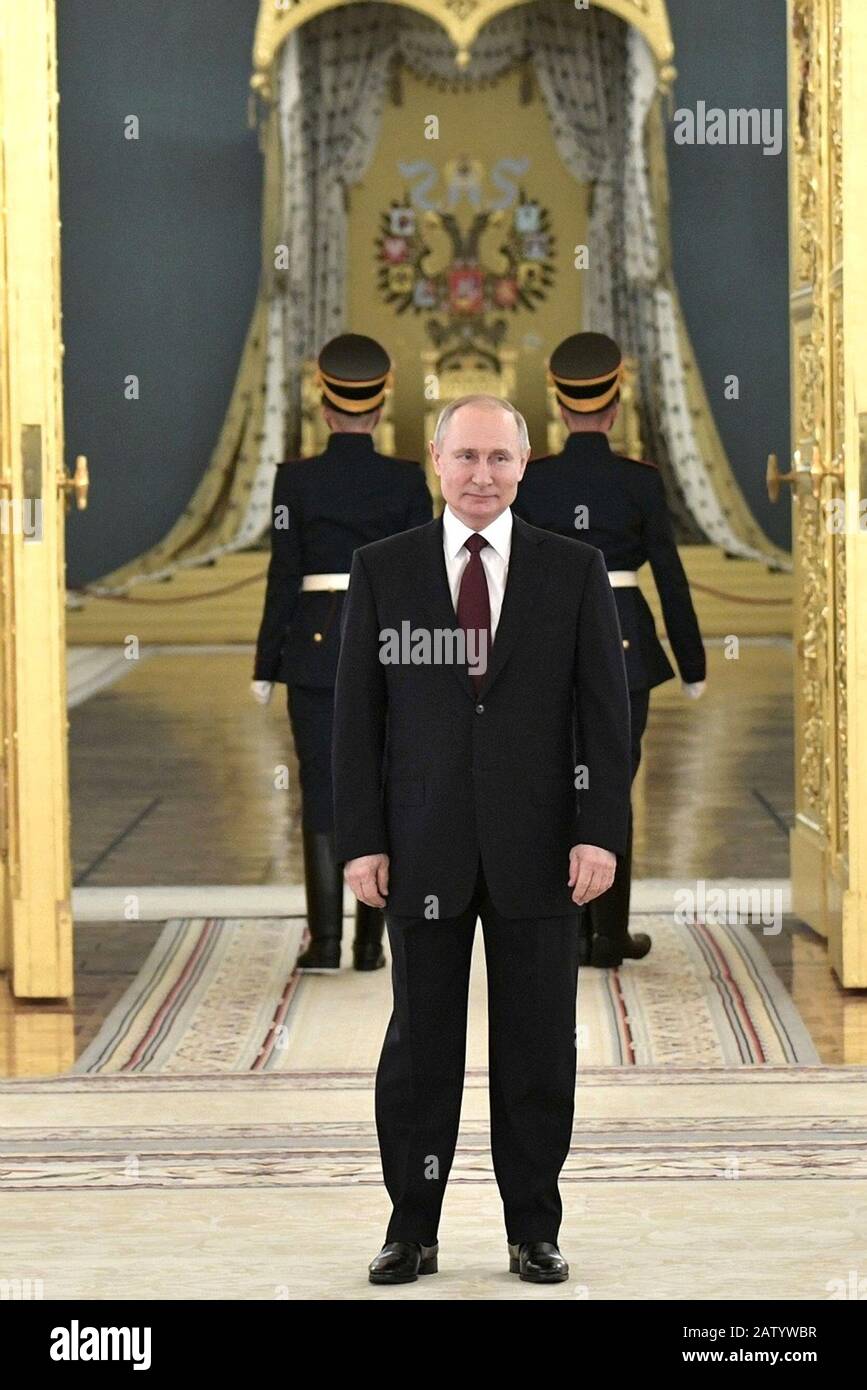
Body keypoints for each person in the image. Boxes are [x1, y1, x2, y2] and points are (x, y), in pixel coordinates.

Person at [332, 394, 632, 1285]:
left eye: (499, 459)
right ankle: (410, 1231)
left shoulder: (571, 569)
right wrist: (360, 840)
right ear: (434, 459)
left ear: (525, 465)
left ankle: (531, 1229)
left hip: (542, 850)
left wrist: (600, 835)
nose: (480, 476)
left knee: (537, 1047)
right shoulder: (382, 569)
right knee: (420, 1047)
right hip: (419, 847)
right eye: (465, 457)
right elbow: (358, 720)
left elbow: (602, 720)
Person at [513, 331, 706, 968]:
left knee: (553, 786)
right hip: (626, 641)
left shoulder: (533, 481)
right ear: (615, 402)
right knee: (613, 786)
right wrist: (693, 663)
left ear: (559, 406)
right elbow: (671, 578)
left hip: (550, 645)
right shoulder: (640, 481)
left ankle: (565, 932)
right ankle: (609, 935)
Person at [252, 333, 432, 973]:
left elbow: (283, 573)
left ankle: (325, 940)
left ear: (324, 407)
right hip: (391, 643)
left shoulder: (292, 480)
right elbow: (421, 575)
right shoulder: (408, 479)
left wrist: (266, 662)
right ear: (379, 406)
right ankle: (370, 943)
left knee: (322, 786)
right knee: (384, 786)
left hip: (315, 643)